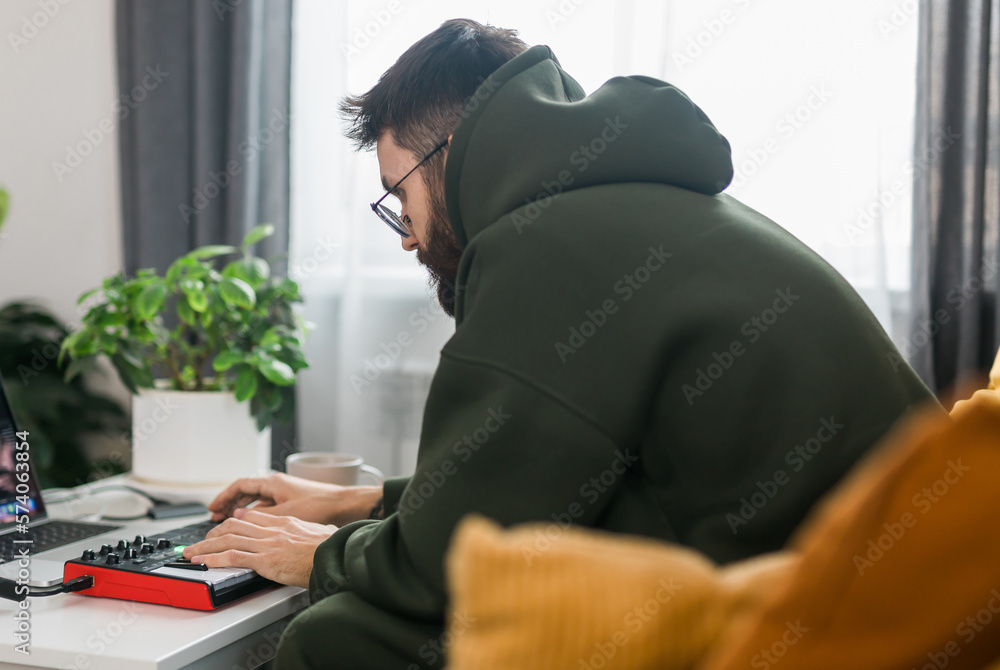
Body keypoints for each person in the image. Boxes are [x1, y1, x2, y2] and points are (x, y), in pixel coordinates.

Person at [180, 18, 941, 669]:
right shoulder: (625, 204)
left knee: (338, 636)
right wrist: (360, 503)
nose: (407, 236)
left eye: (398, 197)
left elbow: (447, 565)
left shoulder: (547, 247)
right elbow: (554, 483)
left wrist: (317, 553)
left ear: (447, 154)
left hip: (820, 606)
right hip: (885, 570)